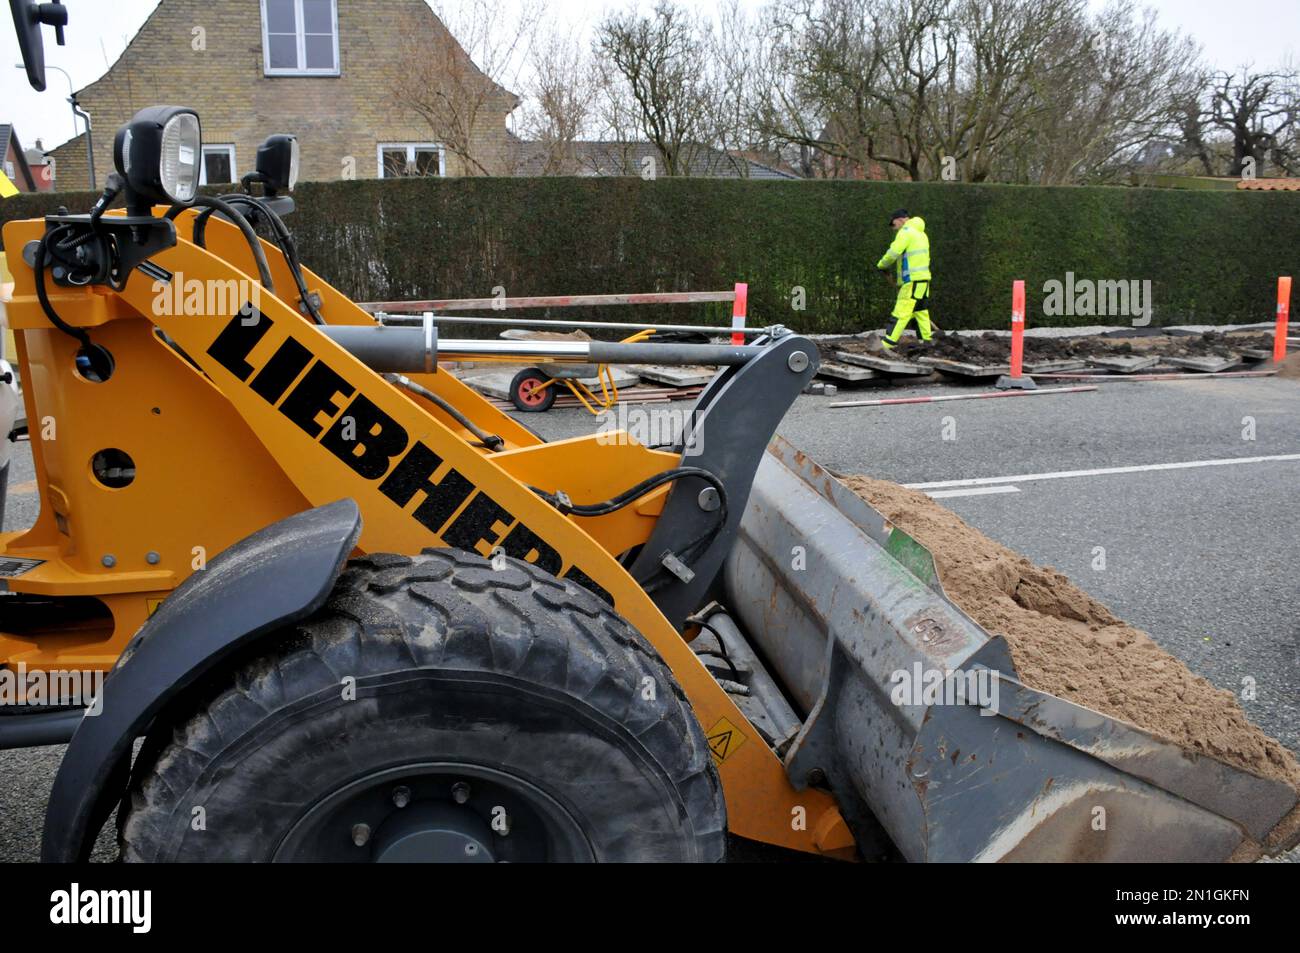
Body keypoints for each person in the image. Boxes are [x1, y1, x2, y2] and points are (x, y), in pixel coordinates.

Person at [876, 209, 932, 350]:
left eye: (893, 224)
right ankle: (926, 342)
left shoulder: (906, 232)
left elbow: (893, 253)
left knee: (901, 312)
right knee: (920, 312)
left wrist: (882, 264)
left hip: (911, 281)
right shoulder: (922, 234)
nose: (893, 228)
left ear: (901, 219)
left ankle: (888, 343)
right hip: (923, 280)